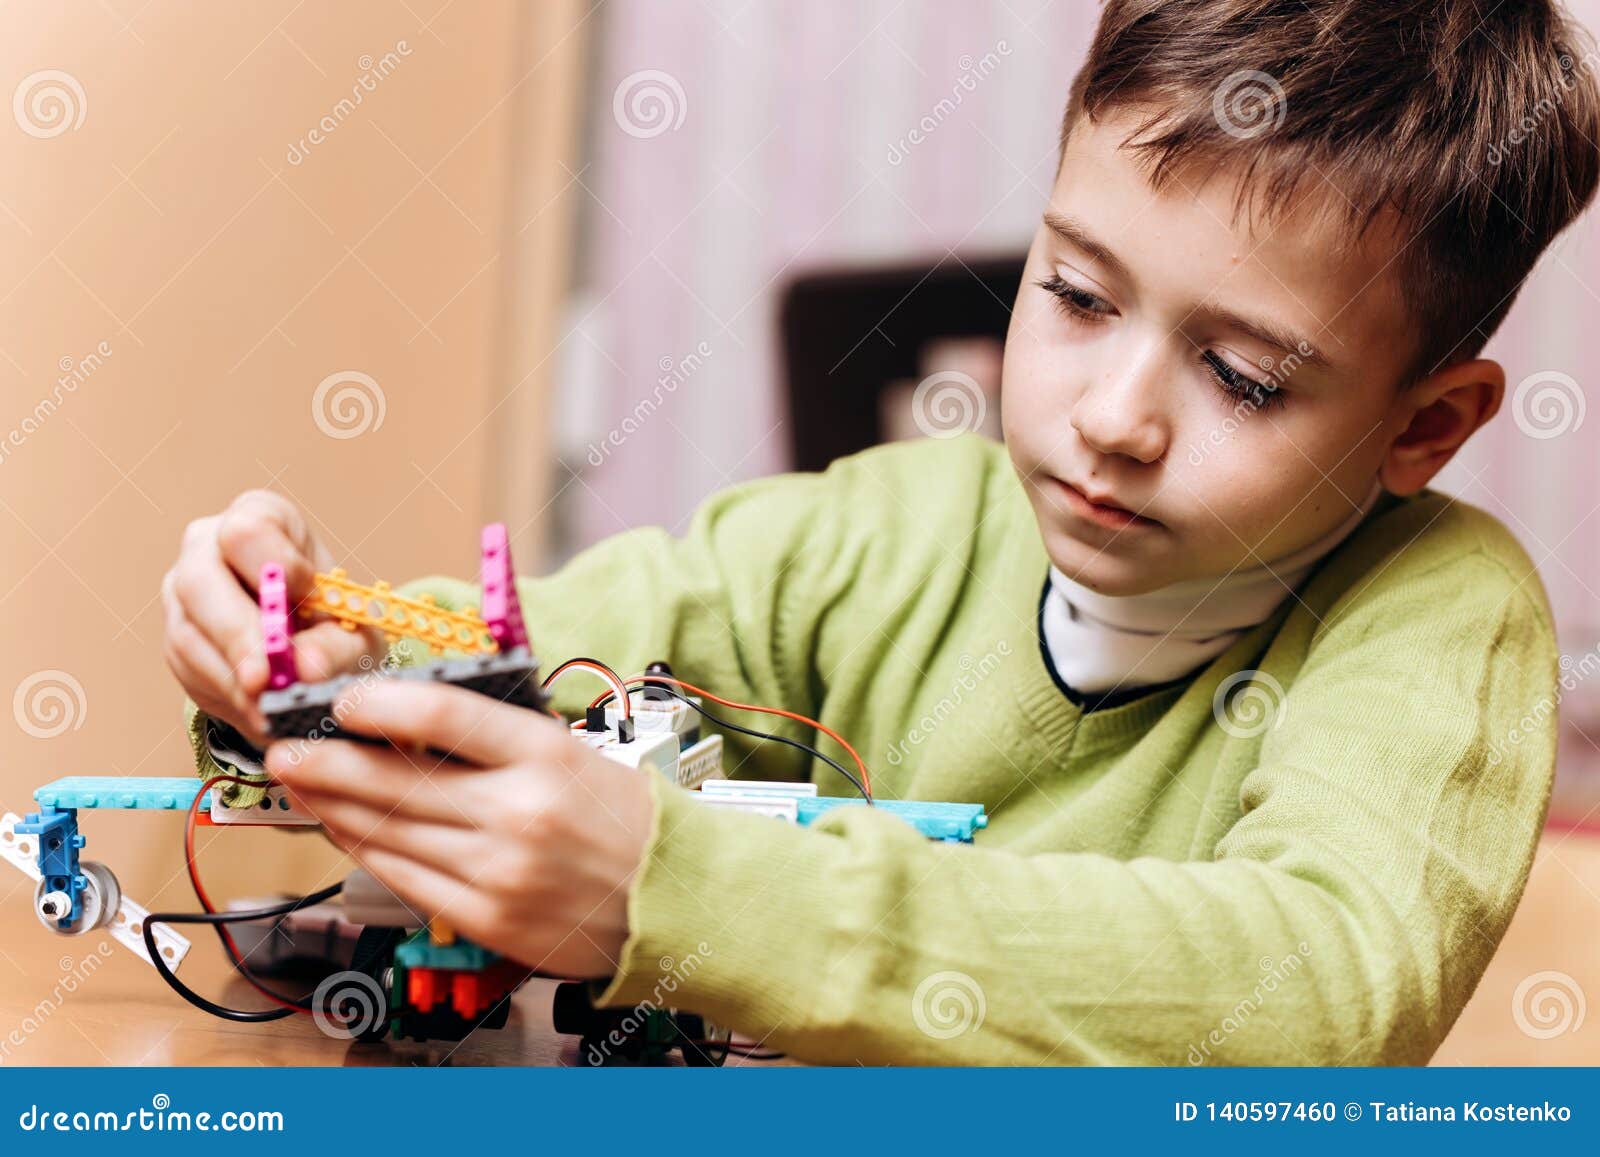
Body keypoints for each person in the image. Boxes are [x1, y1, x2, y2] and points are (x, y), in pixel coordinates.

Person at [162, 0, 1600, 1063]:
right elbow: (551, 644)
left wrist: (675, 889)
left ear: (1427, 425)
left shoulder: (1441, 614)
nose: (1114, 416)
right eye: (1080, 296)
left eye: (1244, 377)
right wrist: (316, 650)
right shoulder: (894, 523)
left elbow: (1316, 993)